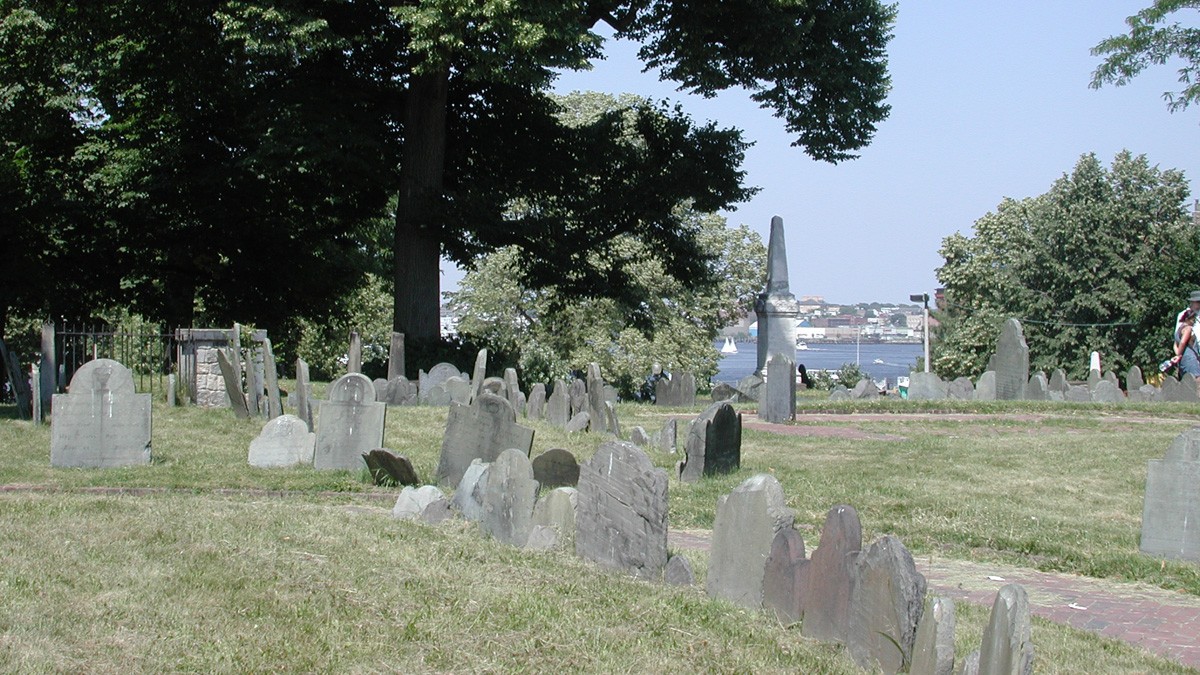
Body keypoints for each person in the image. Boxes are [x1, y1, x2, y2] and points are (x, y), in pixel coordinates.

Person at [1171, 295, 1200, 396]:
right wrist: (1179, 355)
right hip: (1191, 358)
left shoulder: (1180, 328)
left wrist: (1178, 355)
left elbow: (1176, 344)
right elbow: (1182, 342)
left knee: (1187, 381)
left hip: (1184, 358)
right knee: (1196, 381)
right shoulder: (1188, 328)